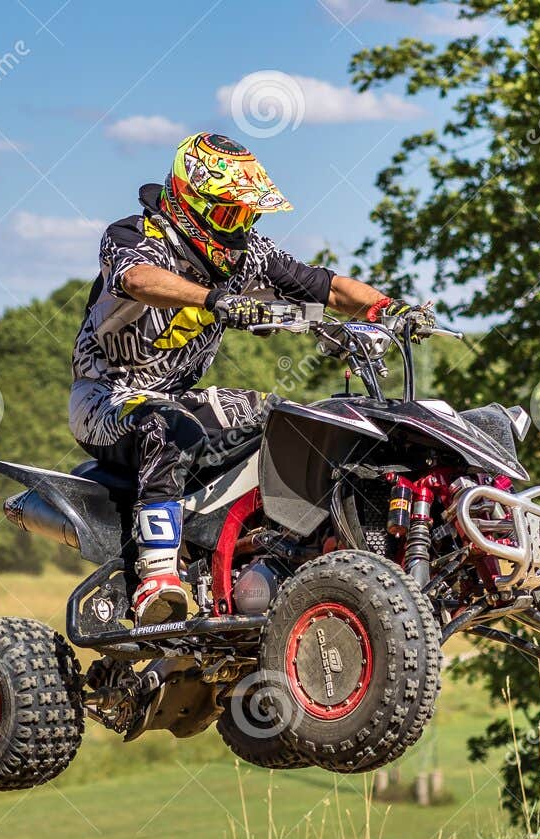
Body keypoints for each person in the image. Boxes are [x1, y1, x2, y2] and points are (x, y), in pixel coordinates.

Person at [69, 131, 434, 626]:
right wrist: (213, 299)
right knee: (165, 423)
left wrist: (390, 308)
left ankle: (269, 551)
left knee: (287, 421)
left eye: (247, 215)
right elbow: (137, 281)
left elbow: (325, 287)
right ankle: (158, 576)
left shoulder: (249, 256)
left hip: (179, 395)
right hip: (107, 398)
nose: (239, 229)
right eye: (228, 214)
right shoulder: (135, 236)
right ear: (187, 202)